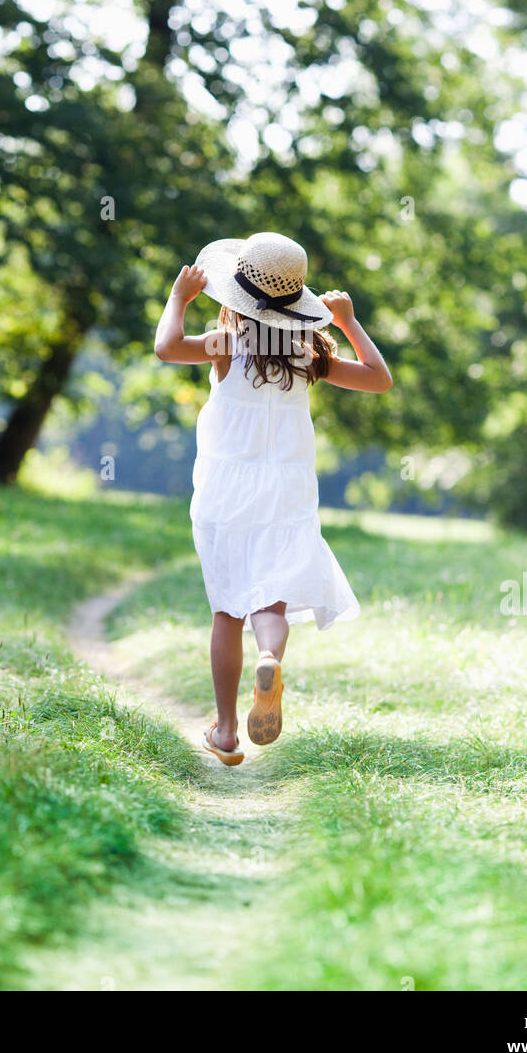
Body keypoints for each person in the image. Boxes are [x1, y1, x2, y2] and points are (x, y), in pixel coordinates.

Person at [154, 231, 392, 765]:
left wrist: (179, 298)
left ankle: (225, 731)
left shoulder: (226, 345)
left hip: (224, 491)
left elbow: (167, 347)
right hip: (286, 491)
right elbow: (379, 380)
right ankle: (270, 657)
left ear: (236, 298)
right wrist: (349, 322)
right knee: (270, 601)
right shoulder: (307, 353)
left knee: (225, 611)